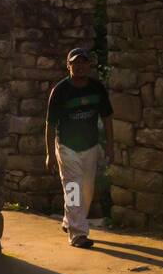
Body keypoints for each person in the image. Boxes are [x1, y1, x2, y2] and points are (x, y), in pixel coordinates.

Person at [44, 47, 113, 248]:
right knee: (73, 187)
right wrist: (50, 153)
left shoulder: (97, 88)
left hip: (90, 146)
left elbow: (107, 118)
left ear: (89, 65)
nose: (80, 66)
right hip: (67, 147)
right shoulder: (60, 91)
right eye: (75, 63)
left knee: (87, 191)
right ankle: (78, 234)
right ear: (68, 66)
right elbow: (49, 125)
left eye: (83, 62)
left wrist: (110, 146)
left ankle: (69, 220)